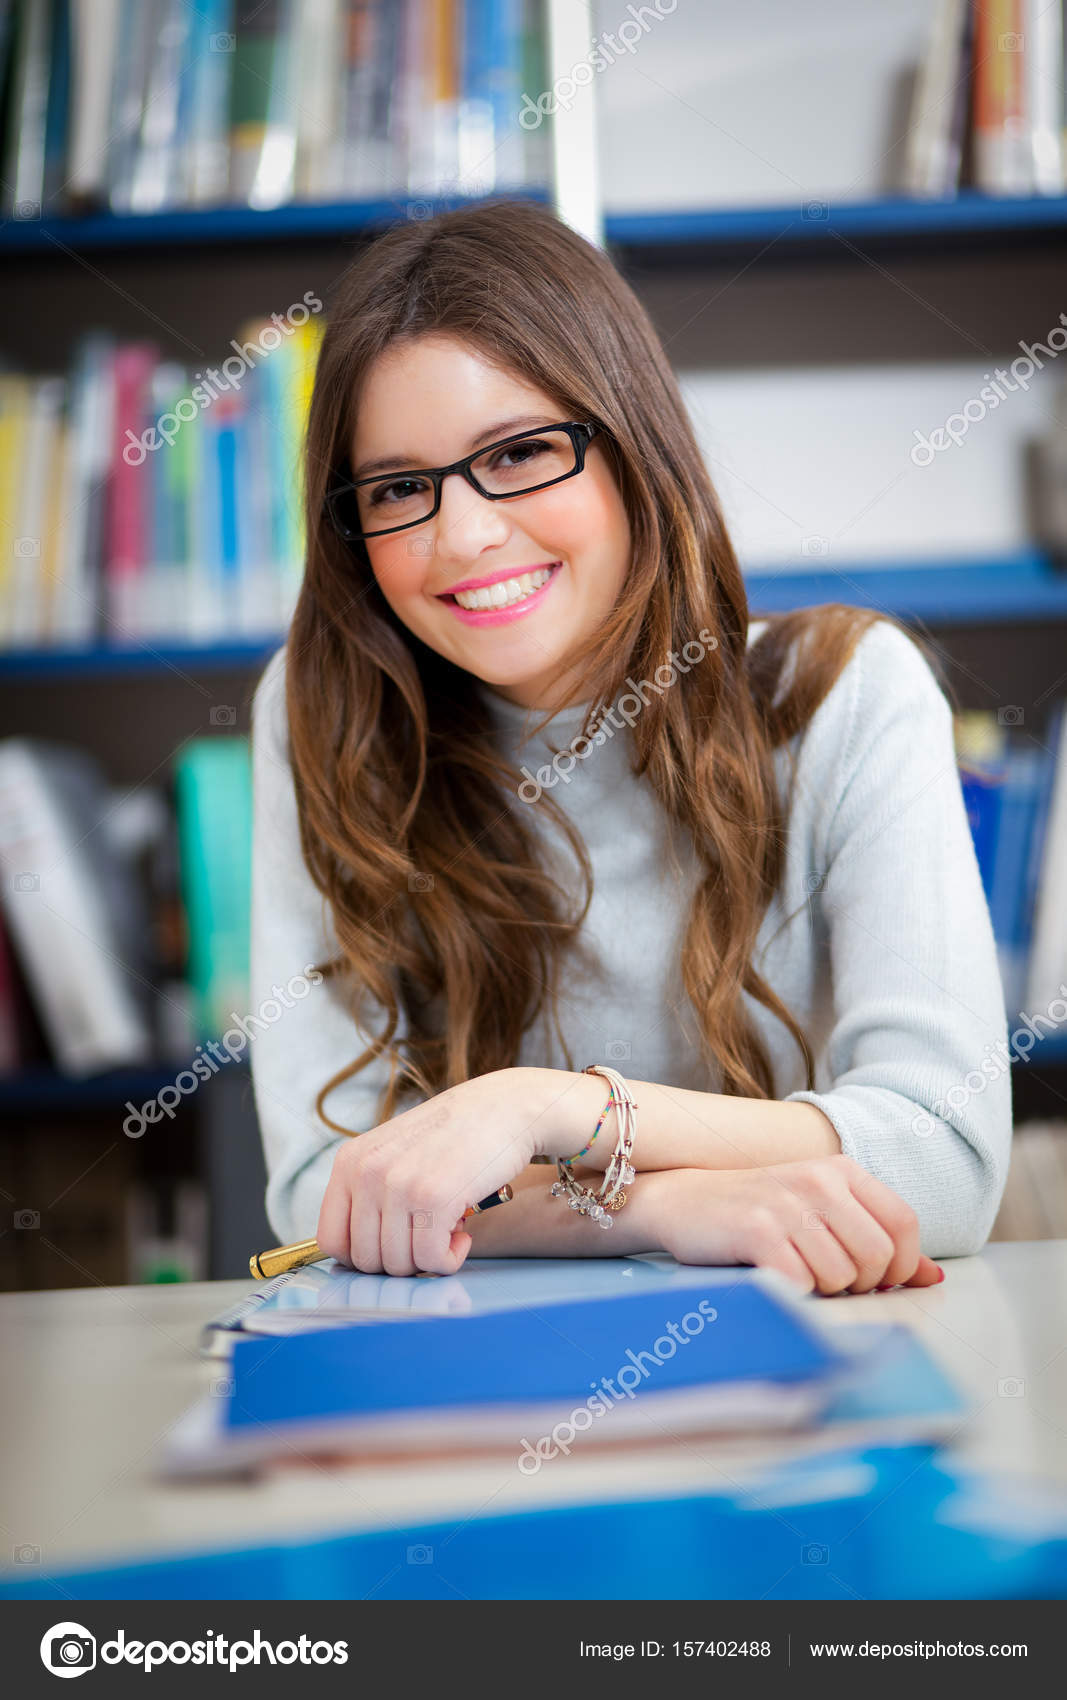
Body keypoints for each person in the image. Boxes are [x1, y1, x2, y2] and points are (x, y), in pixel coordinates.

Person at [249, 199, 1010, 1295]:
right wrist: (663, 1203)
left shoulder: (847, 694)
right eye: (399, 487)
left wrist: (544, 1107)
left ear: (631, 447)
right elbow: (326, 1191)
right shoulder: (322, 716)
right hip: (474, 1379)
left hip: (810, 1352)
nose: (461, 535)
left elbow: (944, 1160)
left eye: (516, 453)